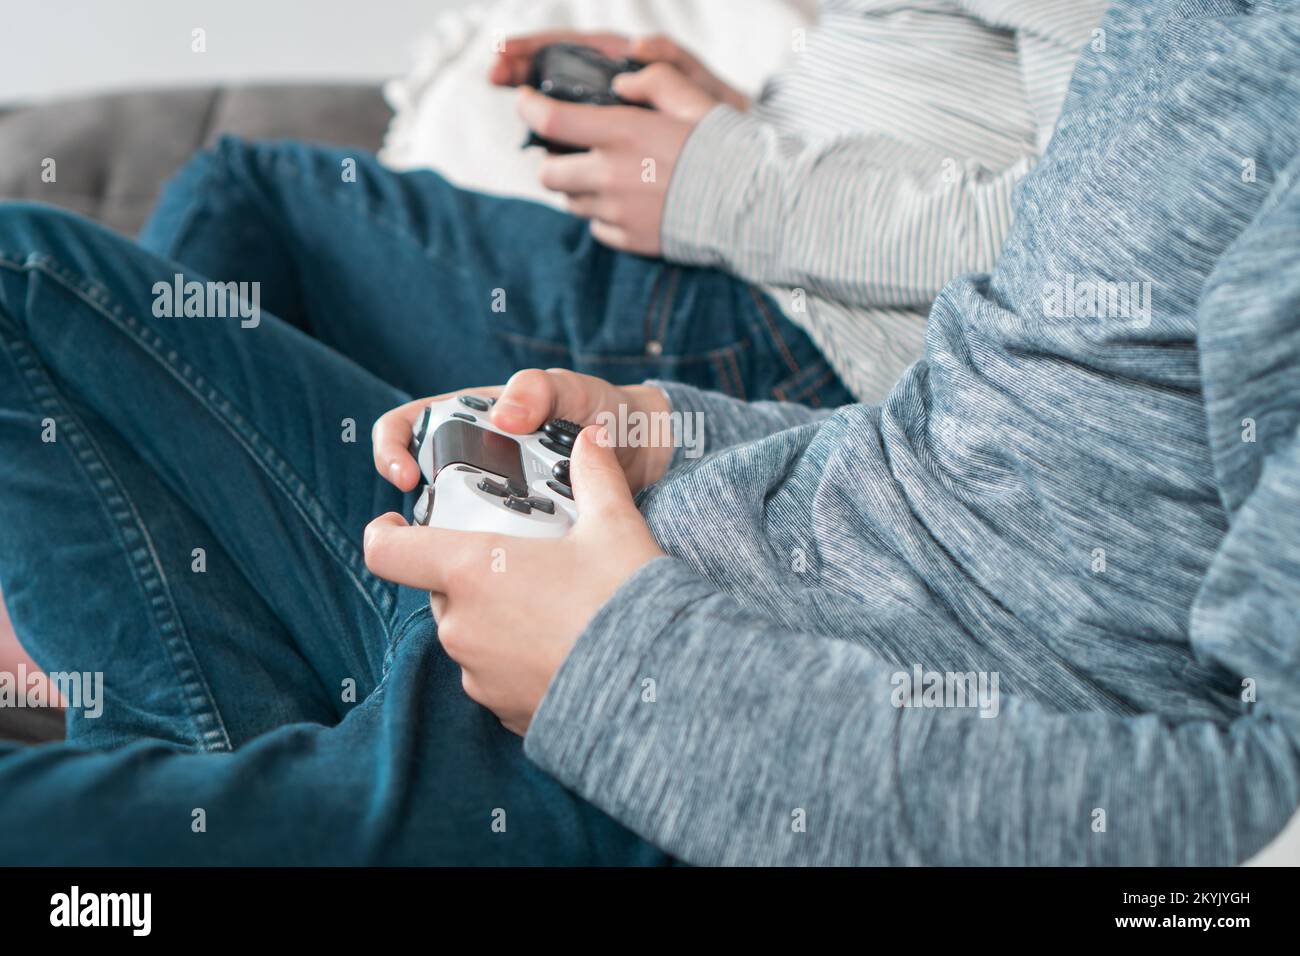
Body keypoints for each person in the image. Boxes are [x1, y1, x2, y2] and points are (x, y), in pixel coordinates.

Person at [2, 0, 1298, 865]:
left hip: (699, 736)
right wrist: (664, 431)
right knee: (23, 278)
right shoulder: (1191, 30)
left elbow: (1249, 824)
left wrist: (620, 671)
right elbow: (973, 425)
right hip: (612, 557)